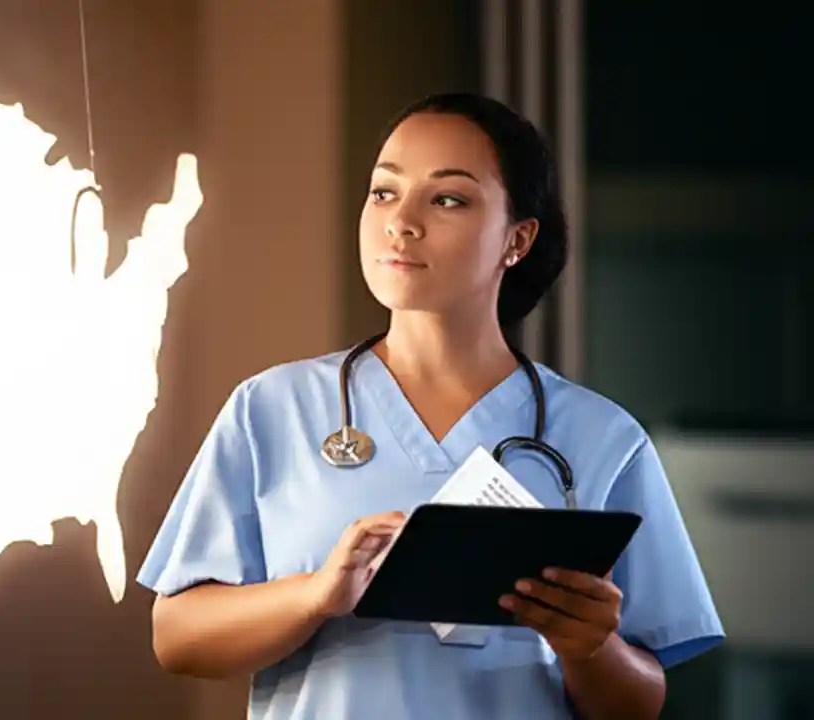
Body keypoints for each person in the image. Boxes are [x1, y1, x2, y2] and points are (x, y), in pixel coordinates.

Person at [135, 92, 724, 719]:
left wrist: (590, 647)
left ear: (517, 240)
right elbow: (177, 638)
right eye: (384, 192)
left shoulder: (602, 437)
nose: (401, 222)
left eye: (448, 199)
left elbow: (639, 703)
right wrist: (315, 596)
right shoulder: (272, 409)